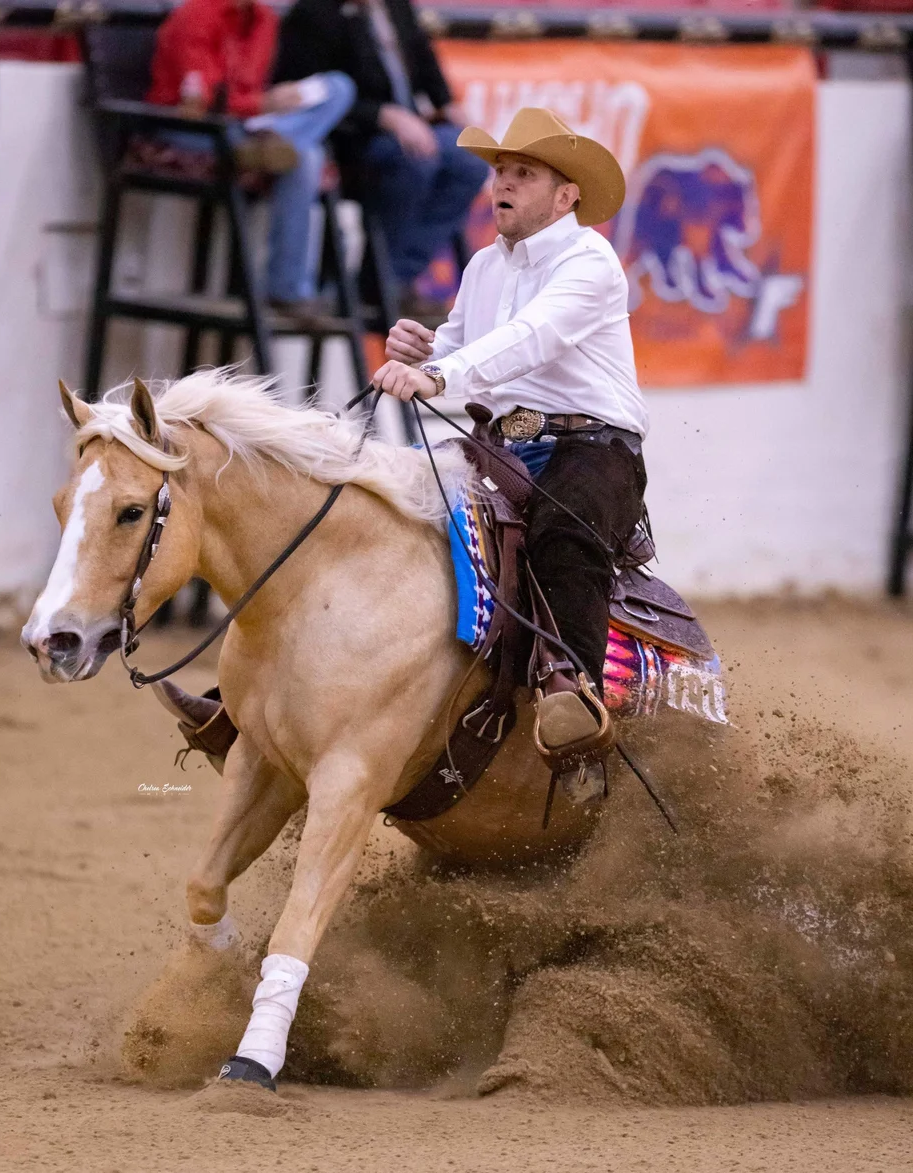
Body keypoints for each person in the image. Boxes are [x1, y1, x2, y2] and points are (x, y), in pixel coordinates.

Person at [372, 108, 648, 801]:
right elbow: (471, 347)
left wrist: (440, 375)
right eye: (500, 170)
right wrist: (431, 348)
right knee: (392, 503)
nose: (503, 183)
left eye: (523, 173)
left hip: (594, 444)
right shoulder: (483, 265)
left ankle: (576, 707)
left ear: (566, 196)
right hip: (505, 444)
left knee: (564, 529)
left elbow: (531, 337)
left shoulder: (591, 262)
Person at [271, 0, 489, 311]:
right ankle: (377, 281)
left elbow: (424, 61)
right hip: (351, 137)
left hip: (409, 126)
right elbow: (311, 94)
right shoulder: (315, 12)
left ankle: (398, 276)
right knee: (414, 160)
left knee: (469, 162)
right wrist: (381, 115)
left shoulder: (396, 7)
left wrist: (447, 105)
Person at [147, 0, 356, 322]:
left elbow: (253, 82)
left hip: (250, 125)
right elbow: (201, 100)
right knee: (307, 157)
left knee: (340, 86)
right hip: (193, 127)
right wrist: (262, 104)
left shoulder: (264, 19)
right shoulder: (197, 14)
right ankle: (289, 291)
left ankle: (274, 141)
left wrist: (278, 100)